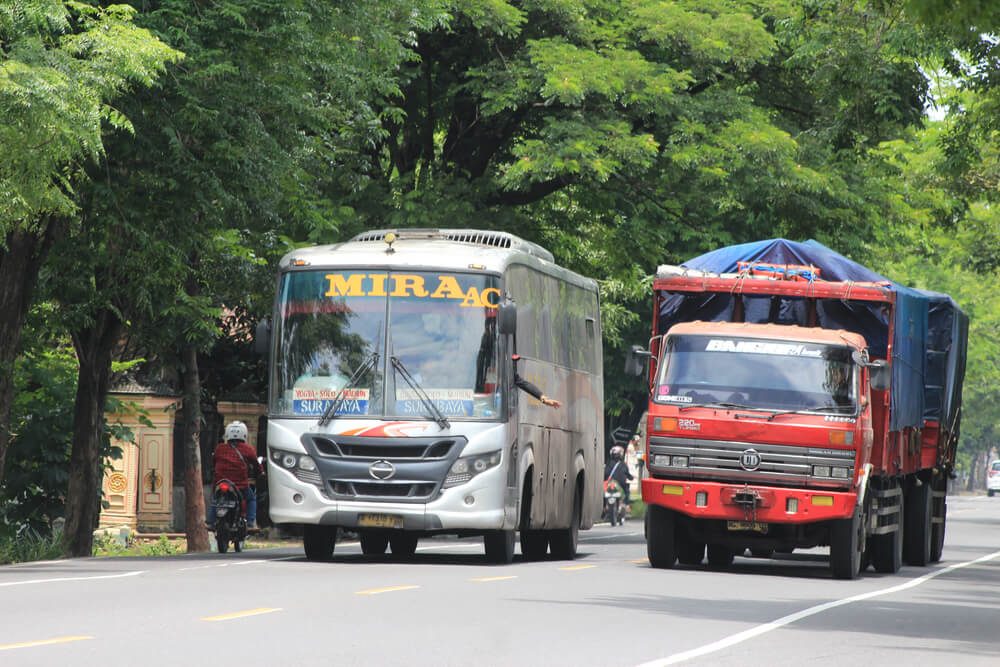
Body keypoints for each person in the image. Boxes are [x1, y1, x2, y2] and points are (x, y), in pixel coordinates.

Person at [209, 421, 264, 530]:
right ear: (244, 434)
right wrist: (261, 472)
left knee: (215, 499)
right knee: (251, 498)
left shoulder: (220, 448)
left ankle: (210, 521)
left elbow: (214, 462)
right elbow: (256, 466)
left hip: (221, 483)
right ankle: (251, 522)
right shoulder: (248, 449)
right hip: (240, 486)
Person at [604, 445, 634, 512]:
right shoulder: (623, 465)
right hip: (620, 485)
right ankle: (626, 504)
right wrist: (631, 478)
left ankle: (605, 506)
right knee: (627, 491)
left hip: (609, 484)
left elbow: (605, 473)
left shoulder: (608, 463)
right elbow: (628, 475)